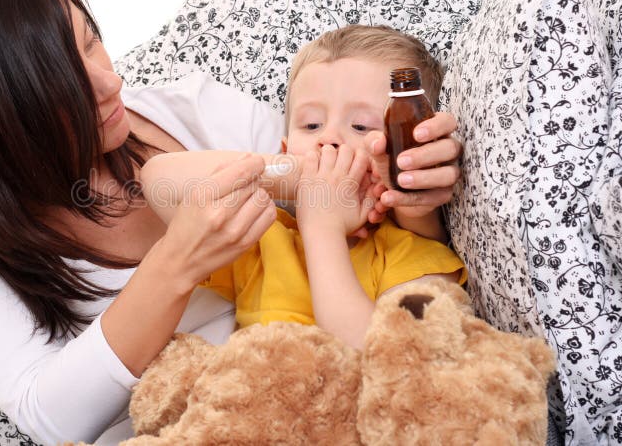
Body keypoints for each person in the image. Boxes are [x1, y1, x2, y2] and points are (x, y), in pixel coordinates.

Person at [0, 0, 462, 444]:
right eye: (62, 80)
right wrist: (177, 261)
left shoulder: (190, 107)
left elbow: (367, 224)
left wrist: (409, 189)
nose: (110, 83)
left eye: (91, 43)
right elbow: (48, 415)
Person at [140, 25, 465, 349]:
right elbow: (160, 181)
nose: (328, 138)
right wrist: (298, 177)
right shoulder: (265, 239)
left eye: (361, 126)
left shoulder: (411, 253)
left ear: (405, 149)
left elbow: (379, 357)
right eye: (311, 125)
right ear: (284, 148)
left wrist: (323, 228)